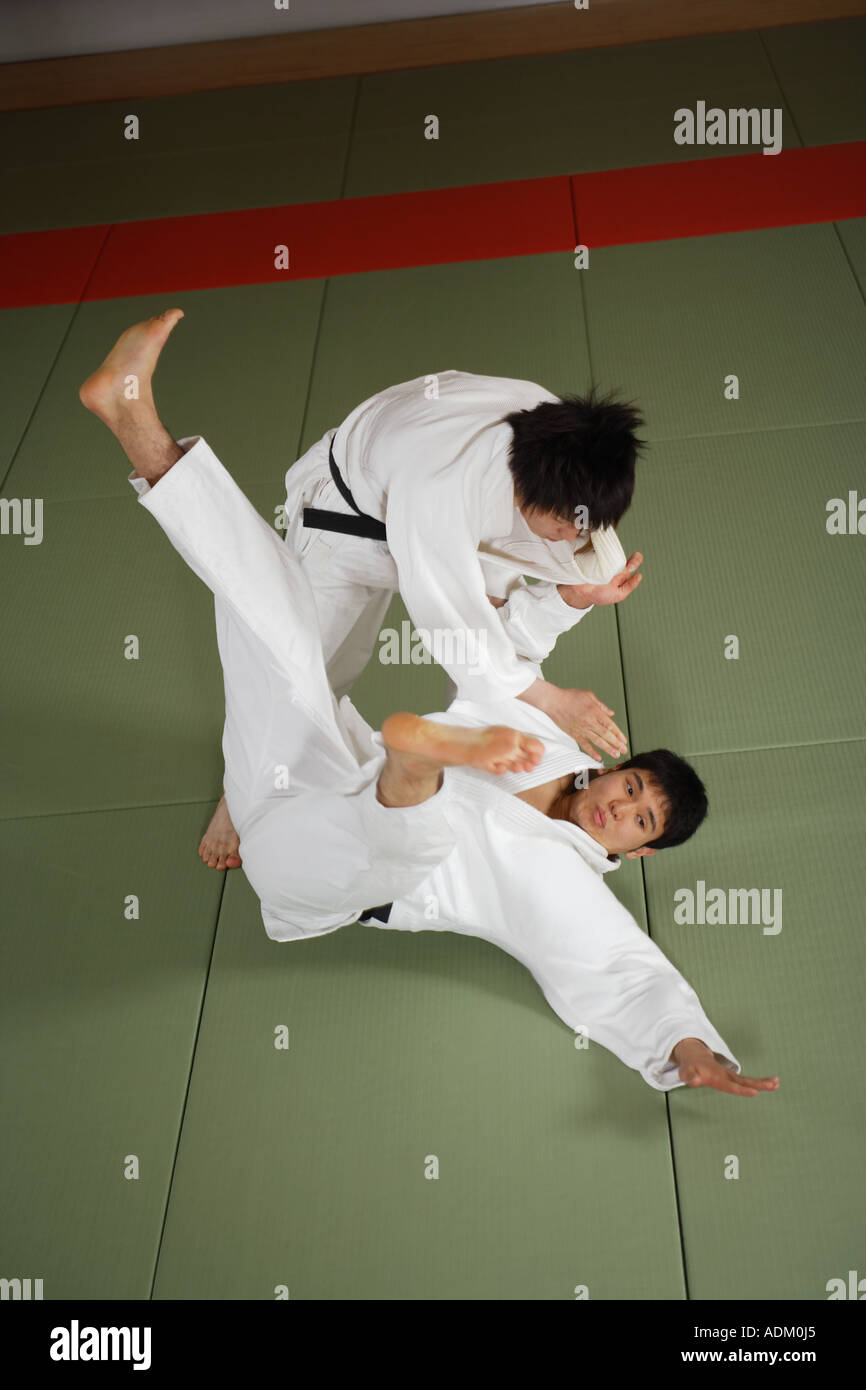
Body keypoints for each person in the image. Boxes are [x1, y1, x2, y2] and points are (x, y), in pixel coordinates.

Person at [77, 309, 779, 1098]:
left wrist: (684, 1044)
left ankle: (410, 773)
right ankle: (133, 416)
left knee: (403, 827)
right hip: (350, 530)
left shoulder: (560, 442)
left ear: (638, 853)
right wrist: (542, 674)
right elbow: (469, 638)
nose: (620, 805)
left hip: (327, 870)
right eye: (631, 786)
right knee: (275, 622)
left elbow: (619, 963)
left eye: (639, 817)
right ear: (617, 768)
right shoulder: (445, 497)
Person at [201, 356, 647, 867]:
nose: (575, 537)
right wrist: (549, 699)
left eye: (583, 526)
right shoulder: (446, 487)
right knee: (301, 674)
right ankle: (238, 792)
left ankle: (475, 769)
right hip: (349, 519)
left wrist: (576, 592)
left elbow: (516, 611)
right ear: (529, 493)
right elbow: (451, 626)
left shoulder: (561, 441)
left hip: (442, 505)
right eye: (567, 526)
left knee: (497, 650)